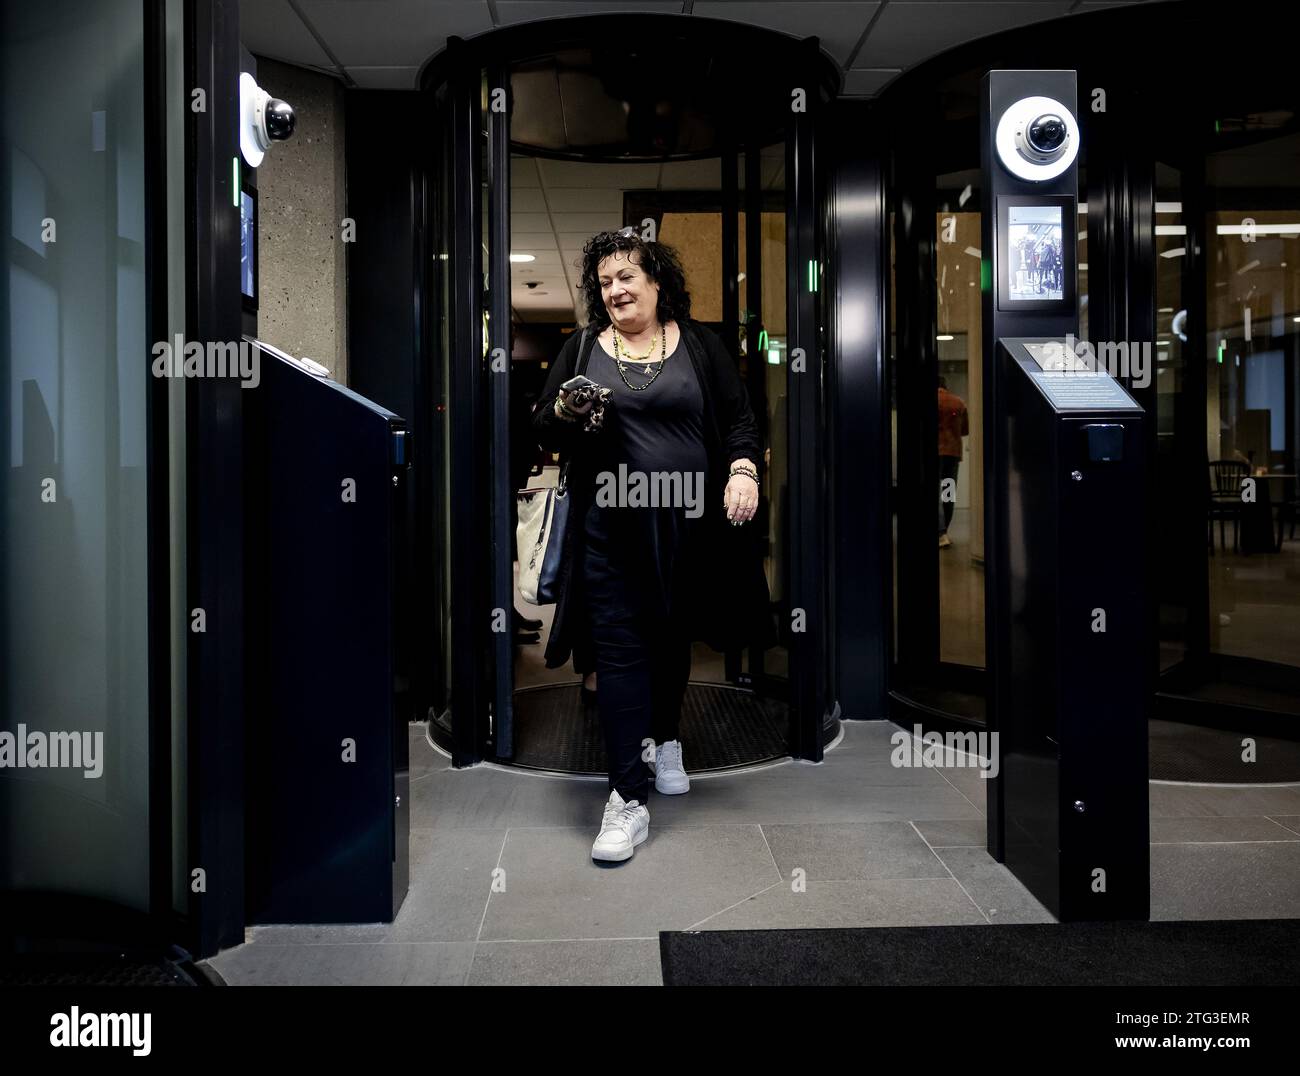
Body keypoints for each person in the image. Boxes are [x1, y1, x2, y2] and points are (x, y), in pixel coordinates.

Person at [531, 228, 772, 863]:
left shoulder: (699, 344)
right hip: (610, 529)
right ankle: (626, 800)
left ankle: (666, 738)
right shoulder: (584, 348)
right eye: (605, 281)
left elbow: (742, 418)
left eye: (626, 278)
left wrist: (743, 470)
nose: (614, 290)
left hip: (689, 528)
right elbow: (541, 427)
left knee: (671, 642)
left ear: (656, 282)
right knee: (619, 655)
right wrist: (565, 409)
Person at [937, 376, 969, 548]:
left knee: (935, 494)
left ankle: (940, 532)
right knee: (948, 492)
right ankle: (945, 532)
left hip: (935, 454)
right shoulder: (959, 403)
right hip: (953, 454)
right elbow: (965, 430)